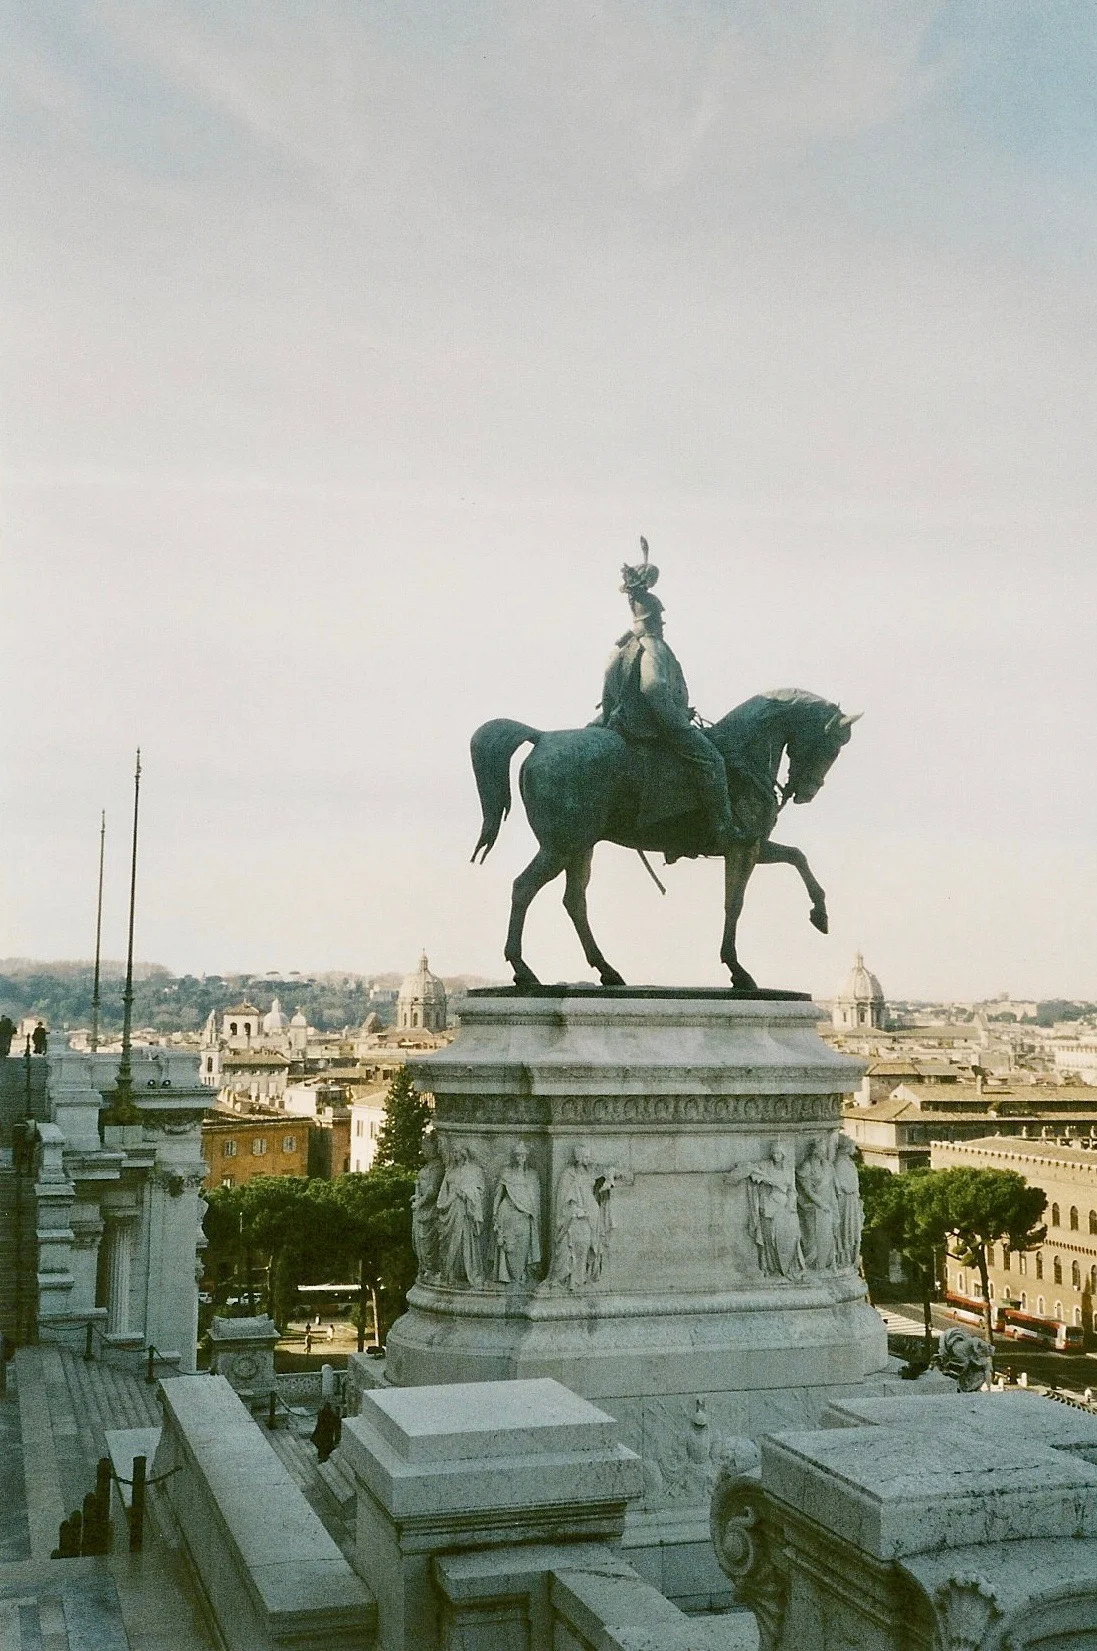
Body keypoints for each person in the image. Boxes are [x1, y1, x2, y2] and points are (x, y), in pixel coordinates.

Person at [594, 538, 741, 852]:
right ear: (653, 619)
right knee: (711, 759)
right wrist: (678, 722)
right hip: (654, 725)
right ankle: (722, 827)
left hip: (618, 719)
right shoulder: (653, 649)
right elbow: (654, 688)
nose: (662, 623)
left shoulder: (621, 649)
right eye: (660, 619)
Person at [435, 1143, 488, 1288]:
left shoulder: (474, 1171)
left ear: (464, 1153)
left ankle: (468, 1272)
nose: (454, 1156)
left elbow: (480, 1191)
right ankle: (450, 1273)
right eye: (453, 1153)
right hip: (450, 1209)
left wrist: (466, 1194)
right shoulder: (450, 1171)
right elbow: (442, 1193)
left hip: (464, 1210)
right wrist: (443, 1205)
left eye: (457, 1153)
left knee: (466, 1241)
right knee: (450, 1241)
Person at [492, 1142, 542, 1283]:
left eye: (523, 1155)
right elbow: (498, 1195)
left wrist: (532, 1213)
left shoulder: (532, 1175)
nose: (520, 1158)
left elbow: (535, 1198)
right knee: (508, 1246)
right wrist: (495, 1214)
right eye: (518, 1155)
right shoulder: (507, 1173)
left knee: (523, 1246)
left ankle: (520, 1273)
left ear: (527, 1157)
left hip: (525, 1215)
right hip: (507, 1213)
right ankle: (507, 1275)